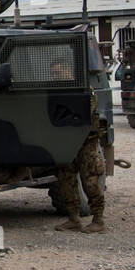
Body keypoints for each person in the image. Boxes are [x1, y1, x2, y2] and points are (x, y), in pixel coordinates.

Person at [48, 57, 106, 233]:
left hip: (85, 142)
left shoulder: (84, 89)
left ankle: (98, 220)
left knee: (90, 181)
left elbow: (84, 113)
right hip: (66, 143)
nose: (56, 77)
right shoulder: (57, 92)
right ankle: (73, 218)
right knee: (66, 181)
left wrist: (67, 117)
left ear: (68, 71)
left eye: (58, 73)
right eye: (53, 74)